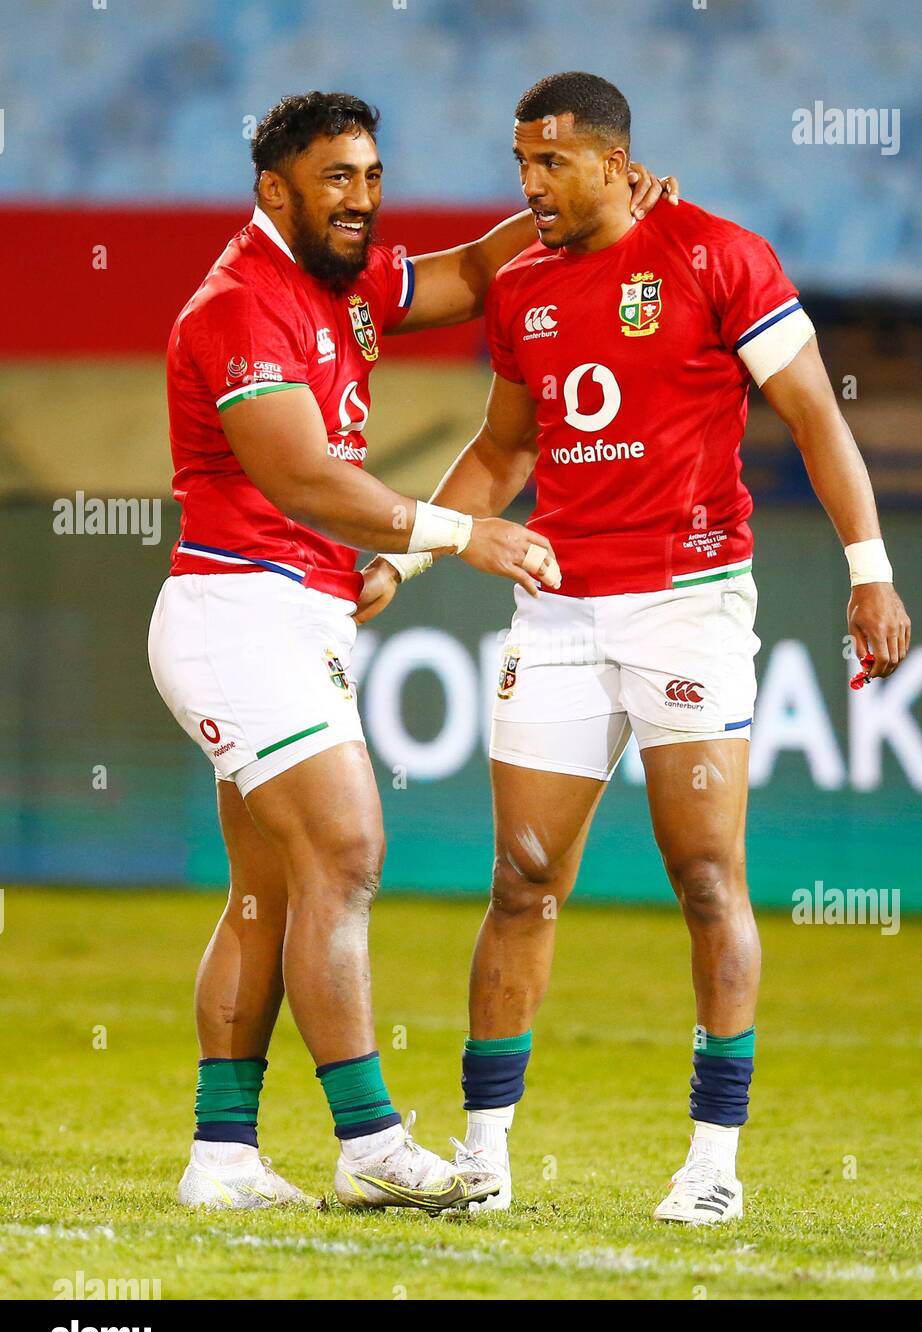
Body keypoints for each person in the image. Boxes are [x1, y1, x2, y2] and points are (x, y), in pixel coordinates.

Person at [360, 72, 911, 1225]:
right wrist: (407, 557)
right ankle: (485, 1155)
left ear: (616, 161)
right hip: (558, 611)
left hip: (690, 605)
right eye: (521, 165)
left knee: (707, 876)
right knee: (521, 881)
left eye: (551, 164)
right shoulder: (522, 288)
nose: (531, 186)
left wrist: (870, 572)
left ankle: (711, 1165)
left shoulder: (718, 256)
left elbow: (816, 414)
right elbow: (503, 448)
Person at [148, 87, 677, 1213]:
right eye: (336, 180)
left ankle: (223, 1155)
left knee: (269, 895)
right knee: (346, 849)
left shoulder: (339, 282)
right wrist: (458, 533)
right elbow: (300, 477)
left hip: (292, 614)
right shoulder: (240, 305)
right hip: (237, 613)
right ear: (273, 191)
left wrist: (592, 199)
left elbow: (479, 271)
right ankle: (371, 1140)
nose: (362, 201)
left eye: (374, 177)